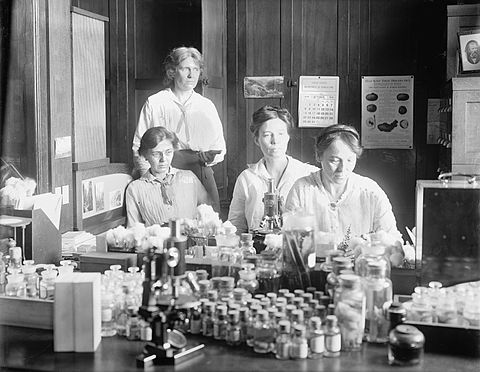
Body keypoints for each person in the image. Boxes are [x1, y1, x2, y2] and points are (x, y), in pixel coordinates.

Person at [132, 46, 226, 212]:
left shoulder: (206, 106)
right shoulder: (155, 103)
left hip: (200, 170)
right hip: (164, 170)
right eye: (186, 69)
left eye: (196, 69)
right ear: (171, 72)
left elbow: (220, 147)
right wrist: (150, 180)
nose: (192, 75)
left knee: (209, 222)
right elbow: (138, 147)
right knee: (170, 222)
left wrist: (210, 158)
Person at [284, 124, 402, 243]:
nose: (343, 168)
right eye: (334, 160)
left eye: (350, 160)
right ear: (319, 156)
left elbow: (393, 240)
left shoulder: (370, 191)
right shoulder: (303, 189)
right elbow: (287, 238)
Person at [228, 105, 318, 233]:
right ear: (257, 140)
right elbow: (236, 224)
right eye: (267, 135)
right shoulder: (247, 178)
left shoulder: (308, 174)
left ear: (288, 137)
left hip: (296, 249)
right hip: (257, 250)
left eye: (281, 134)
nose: (275, 141)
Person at [126, 126, 211, 227]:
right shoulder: (135, 189)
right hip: (155, 242)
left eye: (168, 152)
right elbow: (133, 230)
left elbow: (209, 216)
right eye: (156, 154)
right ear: (145, 155)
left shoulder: (189, 178)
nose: (163, 159)